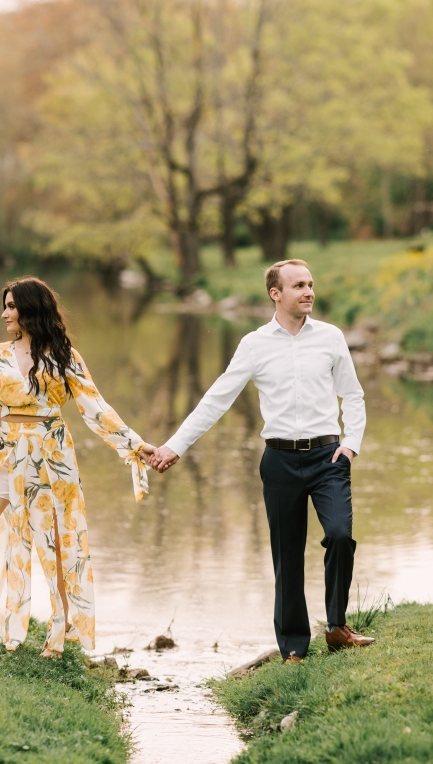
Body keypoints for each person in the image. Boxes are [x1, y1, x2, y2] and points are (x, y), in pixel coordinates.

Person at [149, 259, 372, 660]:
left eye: (310, 284)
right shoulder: (254, 344)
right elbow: (216, 399)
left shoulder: (331, 337)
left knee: (340, 534)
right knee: (287, 556)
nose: (308, 292)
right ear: (276, 294)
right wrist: (174, 446)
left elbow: (352, 396)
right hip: (280, 461)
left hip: (328, 457)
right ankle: (293, 649)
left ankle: (337, 626)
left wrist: (350, 444)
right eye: (299, 286)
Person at [0, 277, 155, 658]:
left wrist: (136, 446)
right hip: (9, 455)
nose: (5, 314)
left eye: (12, 306)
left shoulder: (65, 355)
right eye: (5, 306)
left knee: (58, 546)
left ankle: (60, 633)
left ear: (32, 308)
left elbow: (95, 407)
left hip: (52, 455)